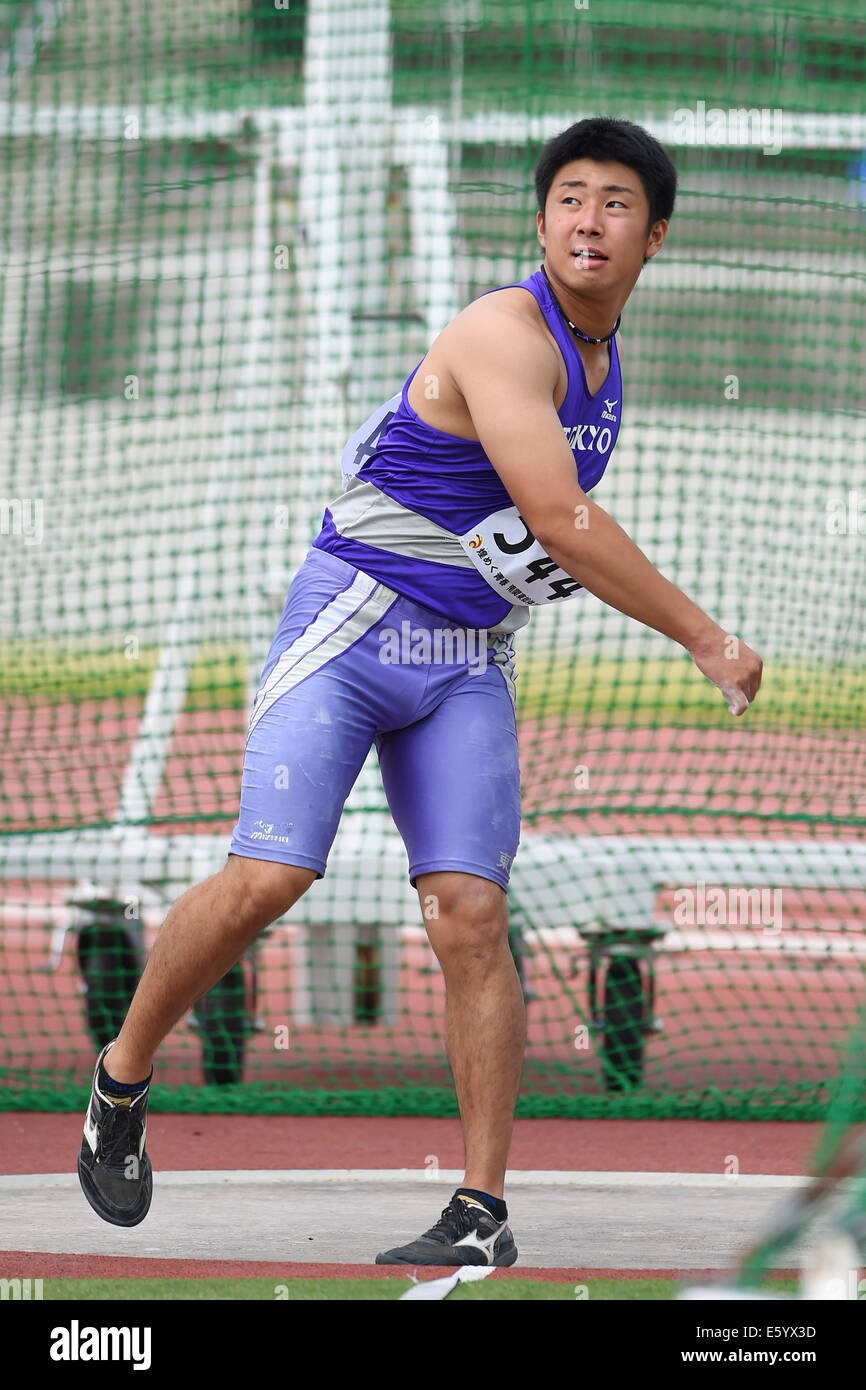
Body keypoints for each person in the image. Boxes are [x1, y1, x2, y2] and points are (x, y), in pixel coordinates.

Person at [78, 116, 762, 1267]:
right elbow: (560, 522)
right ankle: (119, 1082)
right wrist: (702, 636)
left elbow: (524, 542)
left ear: (655, 236)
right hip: (351, 629)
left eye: (616, 203)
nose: (589, 218)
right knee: (269, 876)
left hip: (464, 663)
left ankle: (479, 1208)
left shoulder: (603, 368)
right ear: (540, 221)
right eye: (569, 198)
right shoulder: (503, 330)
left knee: (472, 915)